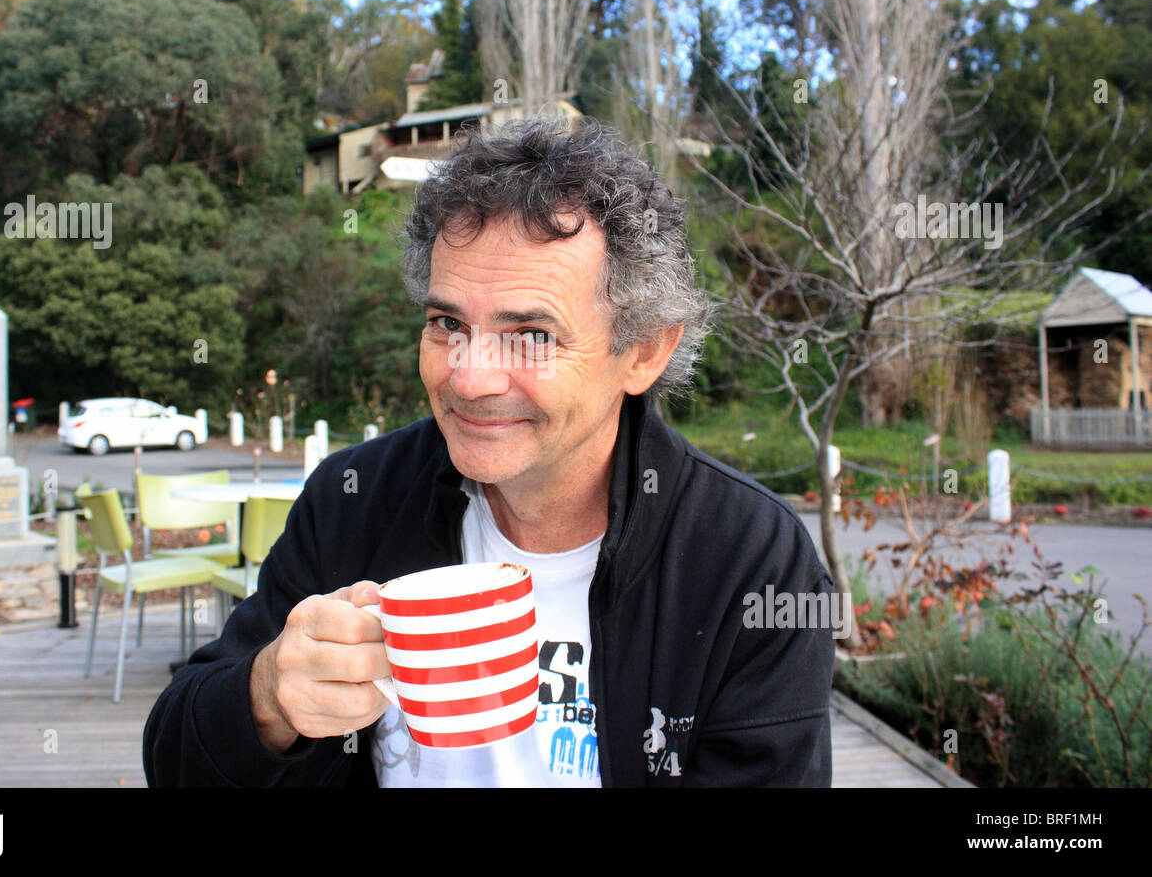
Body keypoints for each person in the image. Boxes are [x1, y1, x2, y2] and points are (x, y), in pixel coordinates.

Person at [143, 116, 835, 787]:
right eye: (448, 322)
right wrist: (266, 697)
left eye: (531, 333)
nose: (468, 377)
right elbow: (175, 756)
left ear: (645, 350)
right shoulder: (353, 500)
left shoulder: (750, 562)